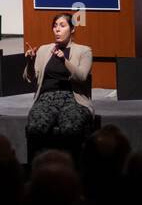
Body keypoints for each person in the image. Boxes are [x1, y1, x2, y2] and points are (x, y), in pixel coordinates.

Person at [22, 13, 95, 164]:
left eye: (62, 26)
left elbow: (81, 77)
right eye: (55, 26)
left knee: (70, 129)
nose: (57, 30)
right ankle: (37, 171)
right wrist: (30, 62)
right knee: (35, 128)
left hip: (73, 99)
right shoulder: (43, 50)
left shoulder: (84, 51)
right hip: (46, 97)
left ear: (72, 29)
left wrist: (64, 61)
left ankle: (72, 171)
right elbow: (30, 78)